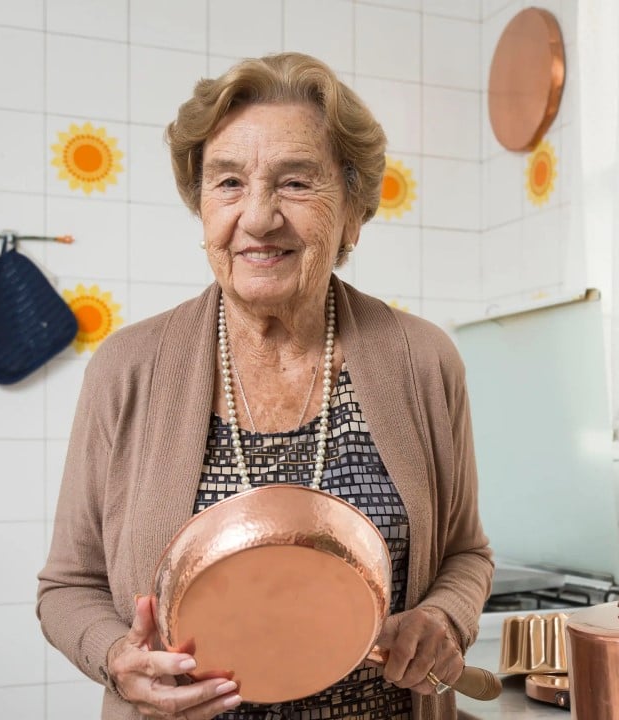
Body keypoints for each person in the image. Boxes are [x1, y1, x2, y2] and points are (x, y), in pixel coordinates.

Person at [37, 52, 494, 720]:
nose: (257, 217)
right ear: (201, 207)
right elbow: (67, 587)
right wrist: (115, 657)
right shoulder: (126, 367)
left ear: (355, 211)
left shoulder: (423, 359)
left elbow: (465, 553)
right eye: (227, 183)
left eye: (295, 183)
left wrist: (444, 620)